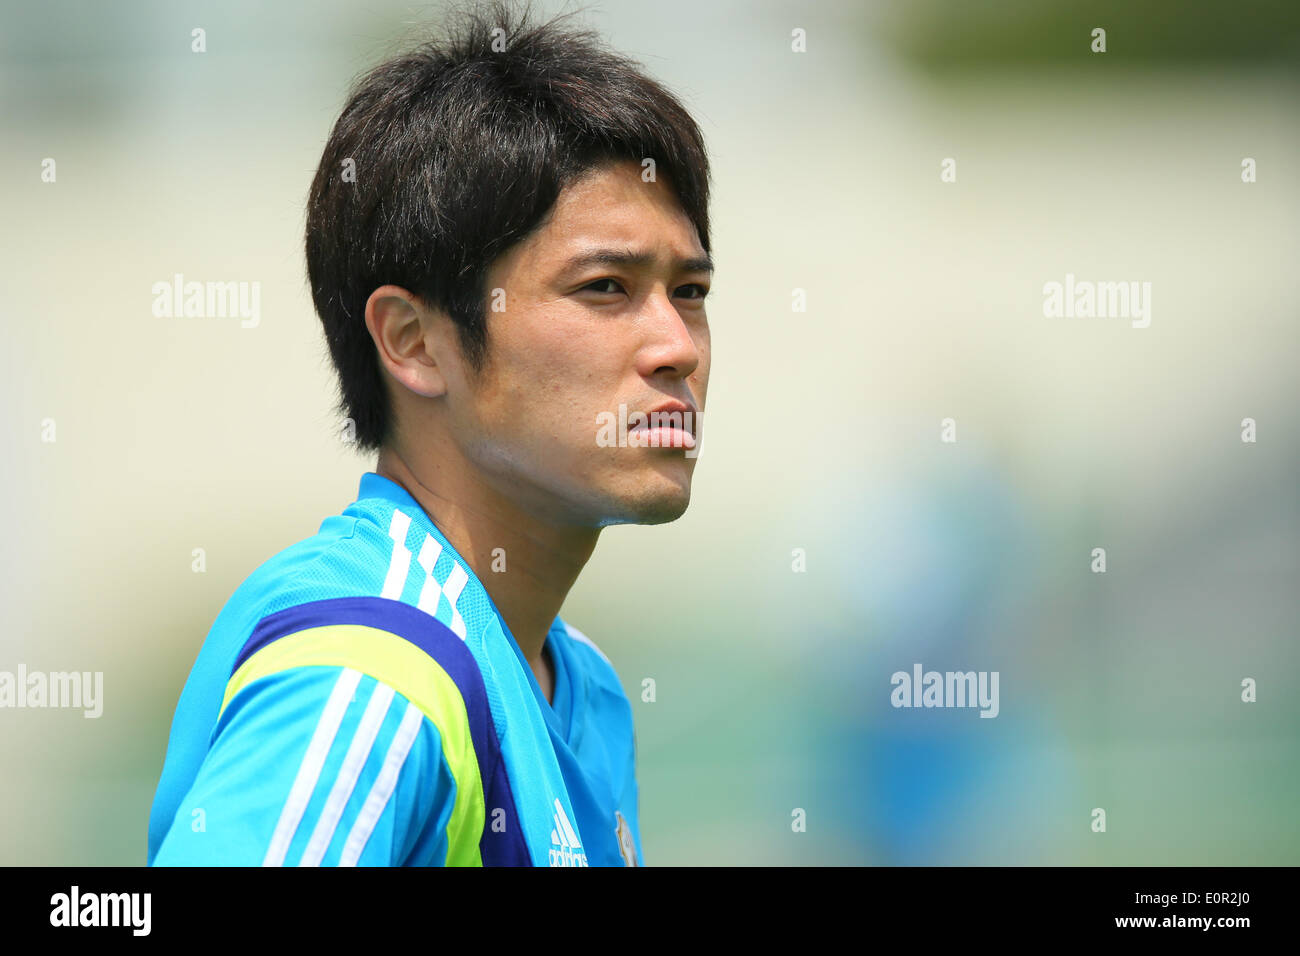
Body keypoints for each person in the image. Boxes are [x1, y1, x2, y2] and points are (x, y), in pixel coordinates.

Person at [146, 0, 712, 867]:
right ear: (415, 343)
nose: (676, 346)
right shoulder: (372, 671)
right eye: (605, 287)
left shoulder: (584, 685)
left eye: (691, 292)